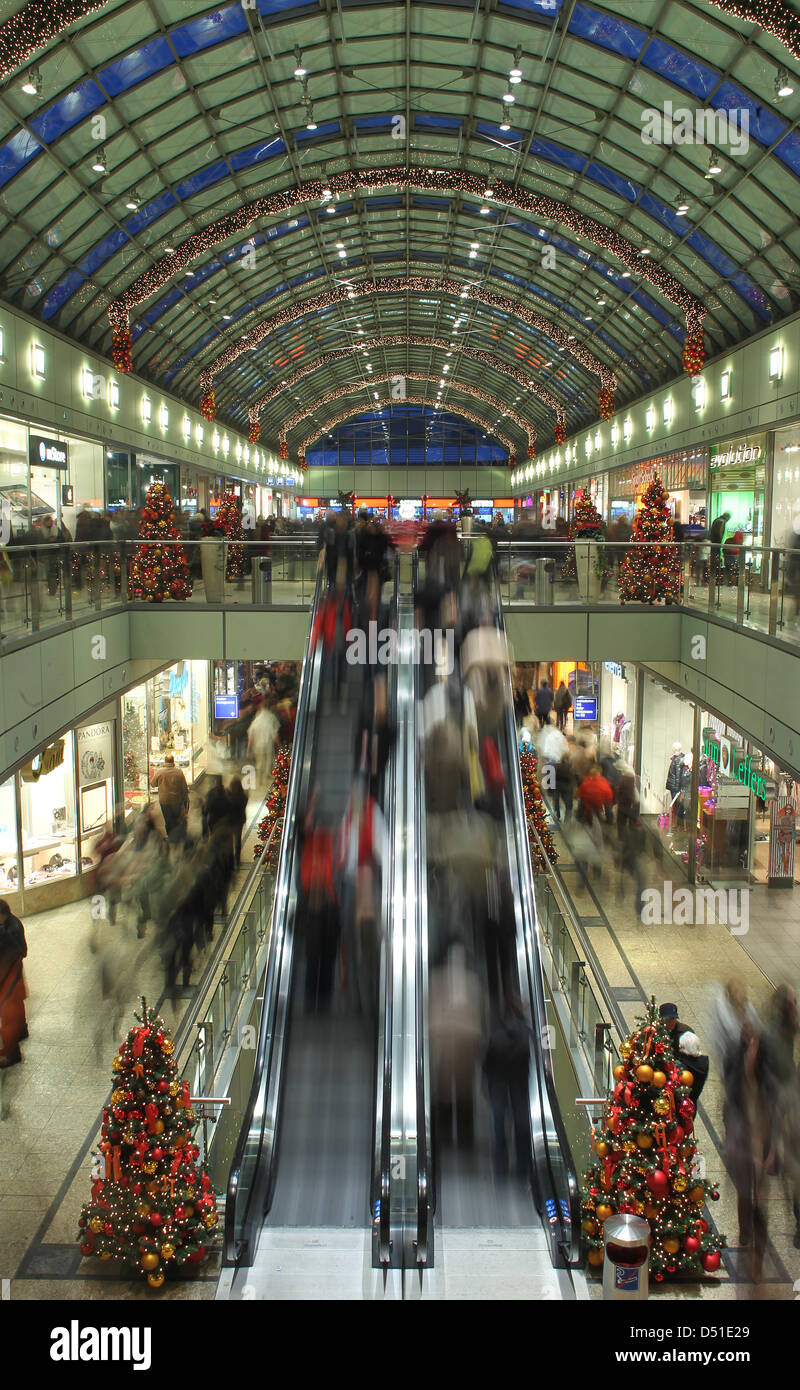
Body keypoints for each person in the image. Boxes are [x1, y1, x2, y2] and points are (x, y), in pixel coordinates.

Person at [484, 996, 532, 1179]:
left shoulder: (496, 1035)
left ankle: (500, 1166)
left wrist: (487, 1081)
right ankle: (523, 1166)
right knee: (521, 1123)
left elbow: (488, 1063)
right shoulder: (526, 1034)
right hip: (519, 1084)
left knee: (498, 1124)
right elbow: (530, 1060)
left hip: (498, 1083)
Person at [0, 899, 28, 1068]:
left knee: (9, 1015)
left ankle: (12, 1053)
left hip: (9, 977)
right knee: (16, 1009)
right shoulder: (12, 923)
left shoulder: (9, 930)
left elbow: (14, 952)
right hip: (13, 974)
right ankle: (22, 1031)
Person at [150, 754, 189, 837]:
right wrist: (186, 801)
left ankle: (170, 836)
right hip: (177, 799)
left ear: (165, 762)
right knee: (177, 818)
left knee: (168, 819)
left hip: (164, 800)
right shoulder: (179, 772)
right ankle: (178, 836)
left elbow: (153, 784)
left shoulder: (160, 772)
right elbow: (184, 787)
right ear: (173, 762)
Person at [709, 510, 731, 579]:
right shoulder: (721, 521)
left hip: (714, 542)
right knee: (716, 558)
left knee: (714, 558)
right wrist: (720, 543)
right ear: (727, 517)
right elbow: (719, 533)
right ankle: (715, 574)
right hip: (717, 543)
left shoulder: (717, 520)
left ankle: (713, 573)